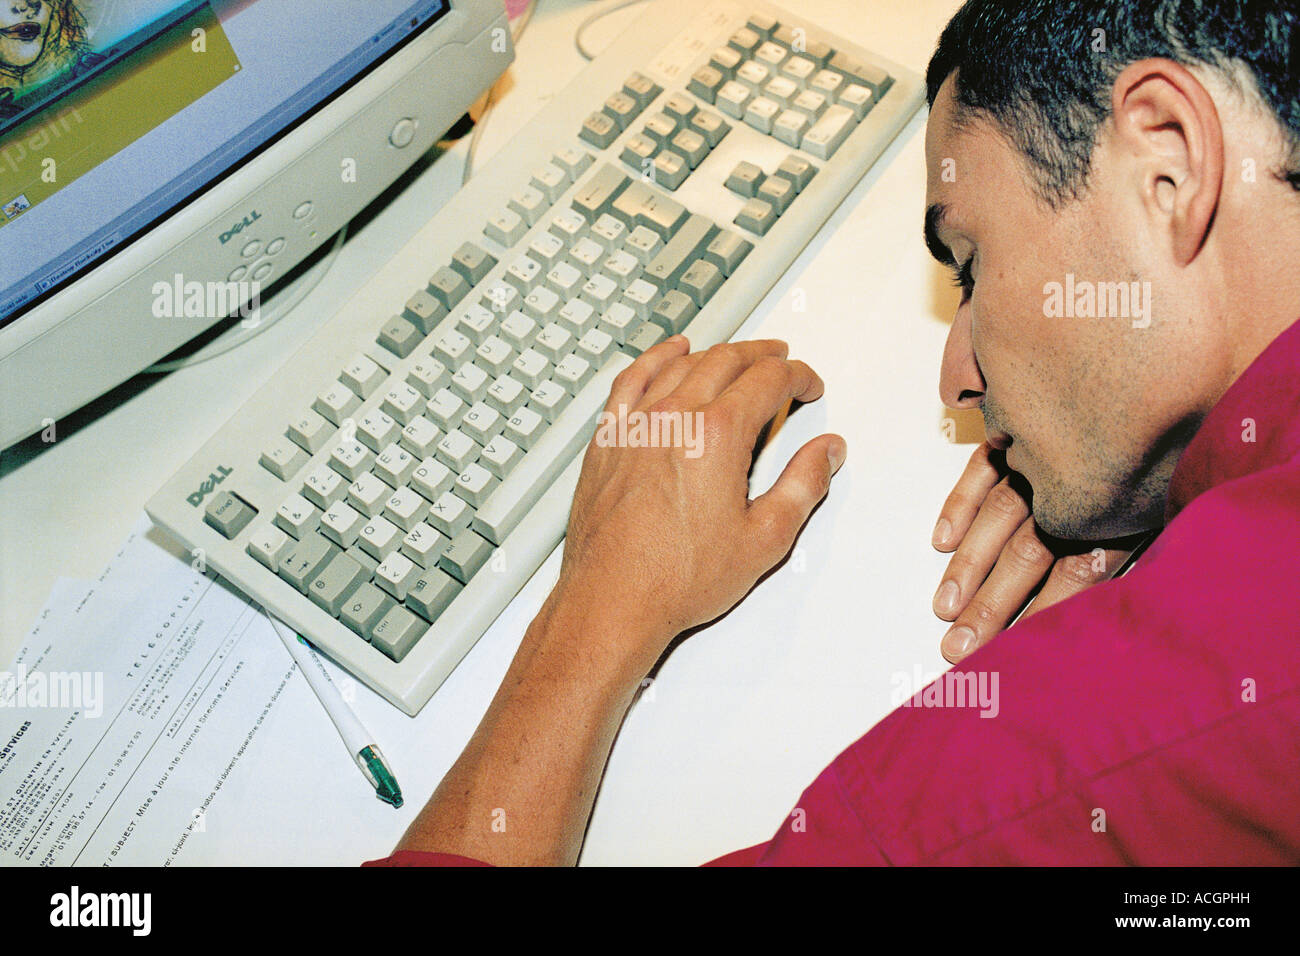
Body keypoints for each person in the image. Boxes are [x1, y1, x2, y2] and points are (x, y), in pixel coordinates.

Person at [367, 0, 1300, 866]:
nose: (958, 381)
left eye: (969, 265)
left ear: (1167, 164)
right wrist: (1181, 434)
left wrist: (595, 607)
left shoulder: (1093, 760)